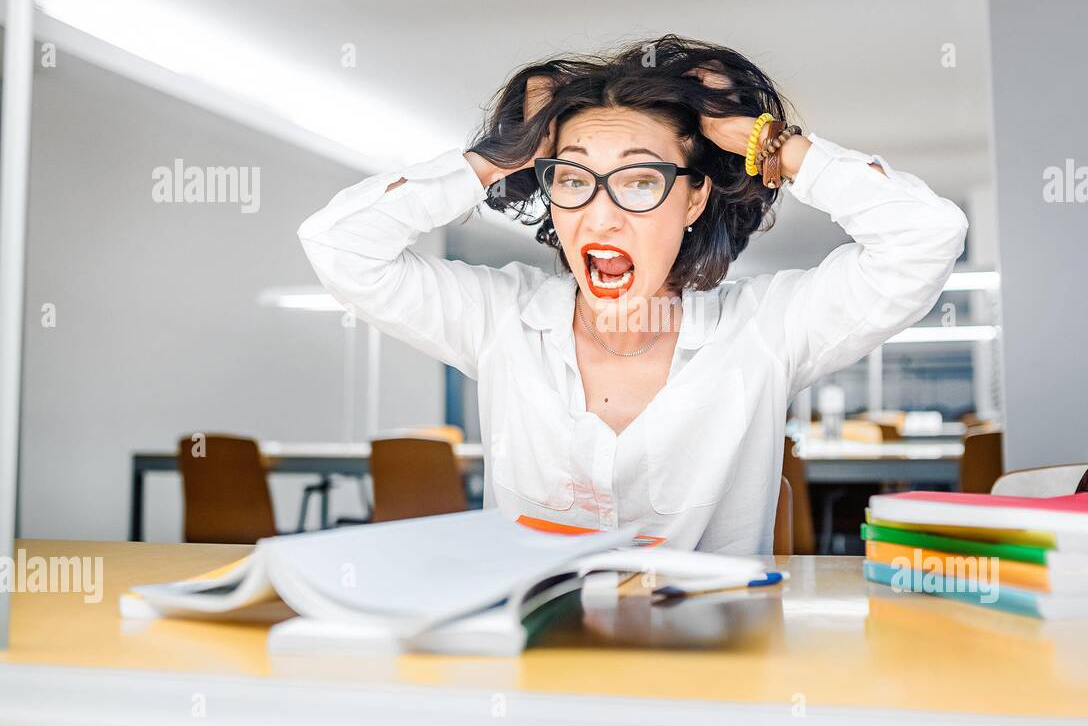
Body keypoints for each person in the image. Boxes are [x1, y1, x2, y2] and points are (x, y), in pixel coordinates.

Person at [298, 35, 968, 553]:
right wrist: (497, 158)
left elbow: (925, 236)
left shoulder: (763, 332)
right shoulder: (499, 320)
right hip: (538, 671)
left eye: (641, 182)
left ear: (694, 198)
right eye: (571, 179)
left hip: (715, 678)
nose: (601, 215)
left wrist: (775, 145)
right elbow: (340, 245)